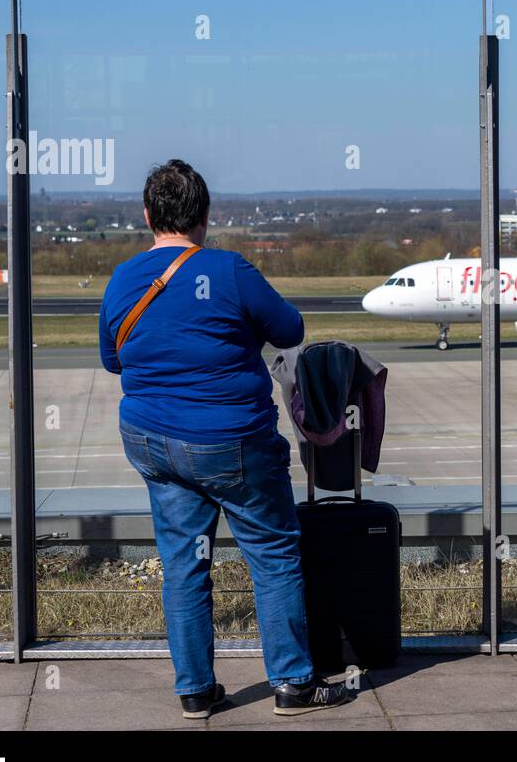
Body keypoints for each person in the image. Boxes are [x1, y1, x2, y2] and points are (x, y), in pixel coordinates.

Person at [99, 159, 352, 719]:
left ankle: (195, 691)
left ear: (147, 216)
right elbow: (290, 329)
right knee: (273, 555)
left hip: (153, 441)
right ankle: (292, 684)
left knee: (185, 564)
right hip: (232, 442)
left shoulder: (122, 279)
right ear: (206, 216)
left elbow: (113, 360)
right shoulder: (229, 270)